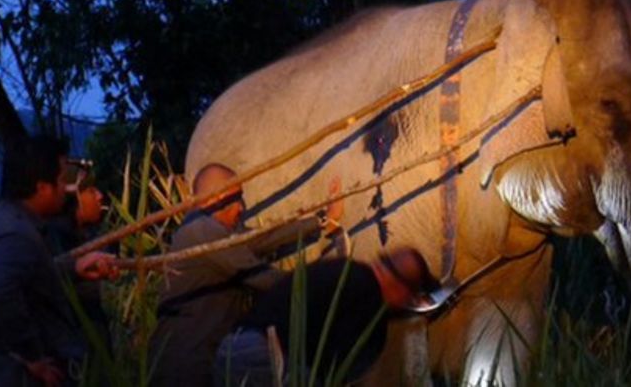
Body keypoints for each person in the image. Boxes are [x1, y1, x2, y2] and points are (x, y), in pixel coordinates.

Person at [148, 163, 343, 387]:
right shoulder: (202, 233)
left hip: (200, 356)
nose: (241, 207)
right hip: (186, 363)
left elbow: (259, 238)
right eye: (236, 198)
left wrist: (321, 222)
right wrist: (327, 285)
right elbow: (263, 278)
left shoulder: (208, 228)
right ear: (214, 198)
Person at [0, 136, 119, 387]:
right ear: (41, 187)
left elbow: (26, 278)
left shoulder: (2, 223)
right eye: (61, 181)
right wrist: (32, 355)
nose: (66, 190)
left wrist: (73, 268)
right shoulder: (14, 233)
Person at [213, 247, 439, 386]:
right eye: (408, 297)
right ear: (399, 287)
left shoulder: (344, 272)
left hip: (233, 350)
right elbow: (345, 362)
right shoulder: (366, 293)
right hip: (265, 358)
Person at [42, 161, 111, 354]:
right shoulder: (52, 242)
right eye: (90, 191)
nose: (99, 196)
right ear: (74, 198)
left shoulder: (90, 236)